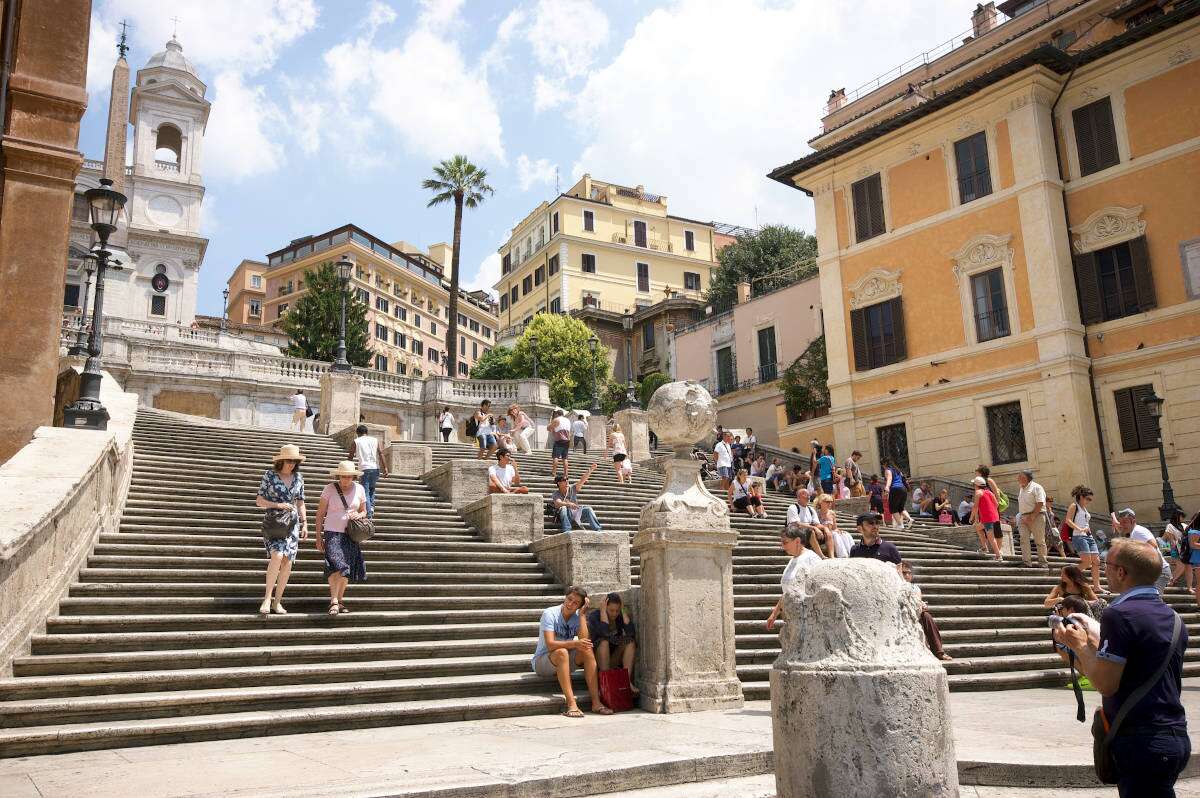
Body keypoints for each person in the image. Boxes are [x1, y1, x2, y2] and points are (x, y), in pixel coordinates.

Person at [1053, 538, 1189, 797]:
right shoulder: (1174, 619)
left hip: (1141, 741)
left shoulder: (1119, 614)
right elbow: (1141, 666)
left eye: (1107, 565)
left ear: (1121, 572)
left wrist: (1080, 645)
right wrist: (1095, 641)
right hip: (1173, 733)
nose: (1102, 570)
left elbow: (1106, 683)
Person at [531, 586, 612, 718]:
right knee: (562, 652)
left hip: (564, 660)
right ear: (565, 597)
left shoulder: (576, 616)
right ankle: (571, 703)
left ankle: (596, 703)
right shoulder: (550, 613)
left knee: (586, 649)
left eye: (576, 603)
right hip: (543, 662)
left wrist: (581, 615)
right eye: (569, 599)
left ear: (580, 606)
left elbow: (585, 641)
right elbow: (551, 645)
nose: (570, 604)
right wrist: (574, 643)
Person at [255, 444, 307, 615]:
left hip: (292, 524)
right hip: (275, 522)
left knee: (287, 561)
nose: (292, 464)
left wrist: (305, 522)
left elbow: (300, 502)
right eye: (289, 460)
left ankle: (277, 602)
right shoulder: (269, 475)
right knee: (277, 555)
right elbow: (259, 501)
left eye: (295, 461)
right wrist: (278, 505)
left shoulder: (299, 477)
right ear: (281, 460)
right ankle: (267, 598)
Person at [315, 460, 368, 616]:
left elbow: (365, 511)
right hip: (332, 533)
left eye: (349, 477)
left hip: (351, 535)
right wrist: (318, 536)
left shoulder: (360, 489)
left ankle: (339, 600)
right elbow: (319, 515)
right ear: (338, 475)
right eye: (343, 476)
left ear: (353, 476)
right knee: (337, 566)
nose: (345, 480)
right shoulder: (329, 489)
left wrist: (359, 514)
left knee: (347, 570)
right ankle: (334, 601)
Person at [766, 524, 822, 630]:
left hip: (807, 619)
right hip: (793, 618)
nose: (782, 546)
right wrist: (774, 613)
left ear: (797, 541)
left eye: (785, 542)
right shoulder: (793, 560)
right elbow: (788, 591)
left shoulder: (812, 559)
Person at [586, 593, 638, 696]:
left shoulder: (620, 616)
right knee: (604, 642)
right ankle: (605, 683)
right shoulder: (594, 616)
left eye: (617, 610)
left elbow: (631, 633)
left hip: (613, 660)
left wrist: (623, 611)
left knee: (630, 642)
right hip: (597, 663)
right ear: (605, 607)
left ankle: (626, 681)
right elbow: (603, 634)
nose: (614, 614)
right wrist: (603, 613)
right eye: (611, 610)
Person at [899, 562, 952, 661]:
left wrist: (922, 605)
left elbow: (918, 601)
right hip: (901, 614)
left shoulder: (916, 588)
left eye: (909, 573)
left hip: (914, 613)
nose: (906, 575)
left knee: (927, 616)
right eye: (904, 573)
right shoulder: (897, 585)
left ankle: (939, 652)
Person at [1113, 508, 1172, 593]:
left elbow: (1153, 546)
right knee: (1149, 600)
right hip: (1153, 572)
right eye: (1120, 522)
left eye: (1125, 522)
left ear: (1133, 521)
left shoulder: (1138, 532)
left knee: (1151, 600)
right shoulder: (1132, 533)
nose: (1122, 525)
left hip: (1159, 571)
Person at [1063, 485, 1104, 595]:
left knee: (1096, 561)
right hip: (1079, 536)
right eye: (1088, 499)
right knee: (1087, 562)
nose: (1089, 501)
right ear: (1081, 496)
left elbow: (1085, 522)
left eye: (1090, 499)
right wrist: (1080, 529)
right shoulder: (1074, 506)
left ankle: (1097, 587)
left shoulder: (1084, 509)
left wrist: (1087, 530)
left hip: (1088, 536)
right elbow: (1068, 520)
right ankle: (1068, 576)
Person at [349, 425, 388, 520]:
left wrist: (349, 469)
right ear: (367, 432)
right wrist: (385, 468)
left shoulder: (356, 441)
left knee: (364, 491)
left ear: (357, 433)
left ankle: (368, 514)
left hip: (364, 469)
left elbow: (350, 456)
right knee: (372, 489)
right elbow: (381, 453)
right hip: (375, 468)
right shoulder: (375, 440)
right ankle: (371, 507)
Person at [1043, 564, 1108, 617]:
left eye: (1063, 574)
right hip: (1066, 612)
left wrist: (1083, 602)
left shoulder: (1084, 586)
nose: (1061, 576)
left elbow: (1096, 601)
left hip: (1082, 611)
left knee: (1102, 601)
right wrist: (1059, 599)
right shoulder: (1059, 588)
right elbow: (1046, 603)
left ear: (1071, 575)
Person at [1016, 469, 1050, 569]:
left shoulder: (1037, 487)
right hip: (1023, 516)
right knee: (1023, 539)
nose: (1018, 478)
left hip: (1037, 516)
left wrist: (1032, 517)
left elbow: (1040, 503)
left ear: (1026, 478)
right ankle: (1027, 562)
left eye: (1020, 476)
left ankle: (1043, 563)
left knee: (1039, 541)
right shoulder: (1021, 488)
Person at [552, 465, 601, 532]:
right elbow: (558, 503)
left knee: (588, 509)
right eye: (564, 480)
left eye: (567, 479)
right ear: (559, 483)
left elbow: (582, 480)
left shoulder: (572, 488)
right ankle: (567, 530)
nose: (567, 481)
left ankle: (598, 529)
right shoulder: (556, 493)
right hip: (566, 516)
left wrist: (590, 470)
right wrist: (569, 504)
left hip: (576, 515)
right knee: (563, 508)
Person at [971, 475, 1003, 560]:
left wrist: (971, 518)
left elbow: (975, 507)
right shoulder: (989, 492)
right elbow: (996, 504)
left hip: (987, 519)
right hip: (995, 517)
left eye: (974, 485)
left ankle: (998, 556)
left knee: (991, 538)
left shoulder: (978, 493)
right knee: (978, 528)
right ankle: (984, 548)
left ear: (976, 485)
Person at [882, 458, 912, 530]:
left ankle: (900, 525)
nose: (882, 466)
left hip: (895, 489)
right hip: (903, 489)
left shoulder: (888, 470)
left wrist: (887, 487)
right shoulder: (898, 471)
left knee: (893, 509)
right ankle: (909, 519)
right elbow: (904, 480)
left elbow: (889, 478)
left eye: (882, 464)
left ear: (885, 464)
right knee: (900, 508)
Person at [1163, 509, 1190, 590]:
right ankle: (1170, 582)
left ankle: (1171, 582)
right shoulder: (1170, 526)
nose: (1183, 518)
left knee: (1182, 567)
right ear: (1177, 516)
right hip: (1176, 549)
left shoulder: (1184, 525)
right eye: (1181, 516)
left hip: (1184, 549)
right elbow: (1171, 540)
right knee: (1181, 566)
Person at [813, 493, 840, 558]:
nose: (830, 504)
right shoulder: (816, 513)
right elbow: (815, 524)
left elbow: (835, 528)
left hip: (831, 533)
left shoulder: (832, 513)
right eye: (827, 502)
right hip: (822, 534)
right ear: (821, 502)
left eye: (831, 502)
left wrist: (838, 530)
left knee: (845, 535)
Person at [550, 409, 572, 481]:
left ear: (557, 414)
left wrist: (552, 422)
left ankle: (554, 472)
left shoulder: (556, 419)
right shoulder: (567, 420)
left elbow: (549, 428)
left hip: (559, 440)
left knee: (556, 457)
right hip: (567, 440)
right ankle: (566, 474)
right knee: (565, 458)